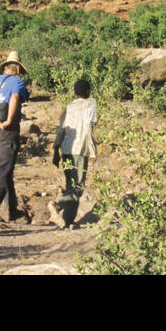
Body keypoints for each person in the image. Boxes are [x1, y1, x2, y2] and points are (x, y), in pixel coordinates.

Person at [0, 54, 29, 225]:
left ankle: (12, 209)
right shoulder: (17, 82)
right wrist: (9, 121)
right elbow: (15, 99)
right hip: (7, 129)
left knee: (3, 166)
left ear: (4, 68)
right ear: (17, 69)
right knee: (3, 167)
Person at [50, 78, 97, 228]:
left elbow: (61, 129)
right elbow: (89, 129)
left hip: (66, 149)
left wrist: (56, 150)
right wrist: (93, 151)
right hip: (80, 149)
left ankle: (67, 220)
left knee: (70, 185)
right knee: (78, 187)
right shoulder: (91, 104)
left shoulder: (69, 106)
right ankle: (56, 204)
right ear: (88, 92)